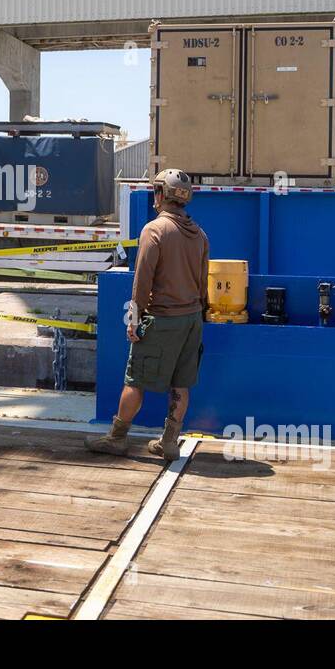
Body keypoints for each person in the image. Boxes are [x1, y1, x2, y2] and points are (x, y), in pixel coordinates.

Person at [86, 169, 209, 461]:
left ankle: (116, 438)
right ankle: (169, 442)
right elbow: (204, 285)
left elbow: (142, 280)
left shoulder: (154, 230)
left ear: (160, 195)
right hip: (192, 320)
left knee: (135, 380)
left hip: (162, 320)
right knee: (182, 383)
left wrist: (134, 318)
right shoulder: (200, 235)